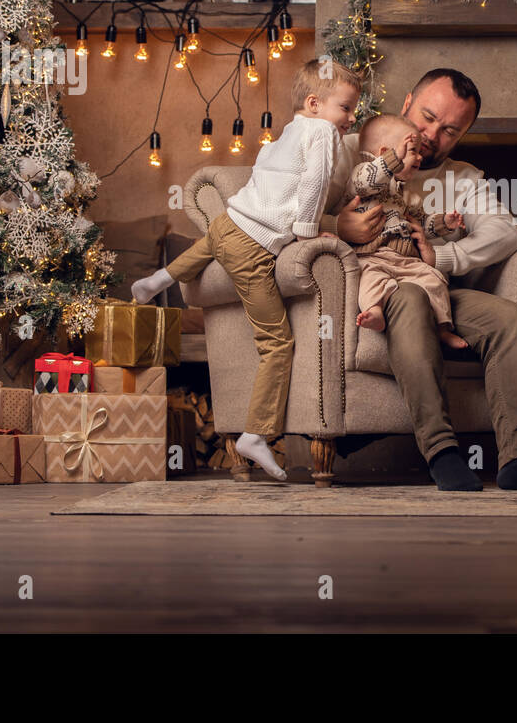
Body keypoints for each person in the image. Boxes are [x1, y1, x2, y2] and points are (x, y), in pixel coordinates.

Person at [322, 69, 517, 492]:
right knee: (410, 296)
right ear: (408, 101)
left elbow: (506, 232)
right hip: (375, 289)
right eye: (428, 117)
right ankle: (442, 453)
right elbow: (293, 210)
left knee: (507, 318)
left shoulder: (463, 178)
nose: (431, 134)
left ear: (462, 135)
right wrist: (338, 226)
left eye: (450, 130)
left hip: (433, 286)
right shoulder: (351, 150)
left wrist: (442, 257)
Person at [130, 59, 360, 481]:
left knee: (212, 242)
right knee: (276, 344)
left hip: (231, 223)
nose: (351, 118)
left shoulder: (290, 131)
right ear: (315, 103)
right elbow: (313, 186)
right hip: (252, 248)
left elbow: (266, 174)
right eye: (346, 108)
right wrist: (308, 234)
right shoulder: (325, 134)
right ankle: (256, 433)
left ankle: (155, 282)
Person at [346, 112, 468, 349]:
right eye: (413, 151)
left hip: (405, 260)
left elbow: (420, 224)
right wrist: (394, 160)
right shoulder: (361, 177)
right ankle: (374, 311)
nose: (420, 157)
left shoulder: (406, 195)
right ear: (384, 154)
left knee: (434, 279)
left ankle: (442, 327)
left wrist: (444, 222)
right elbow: (368, 180)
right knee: (370, 279)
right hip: (371, 256)